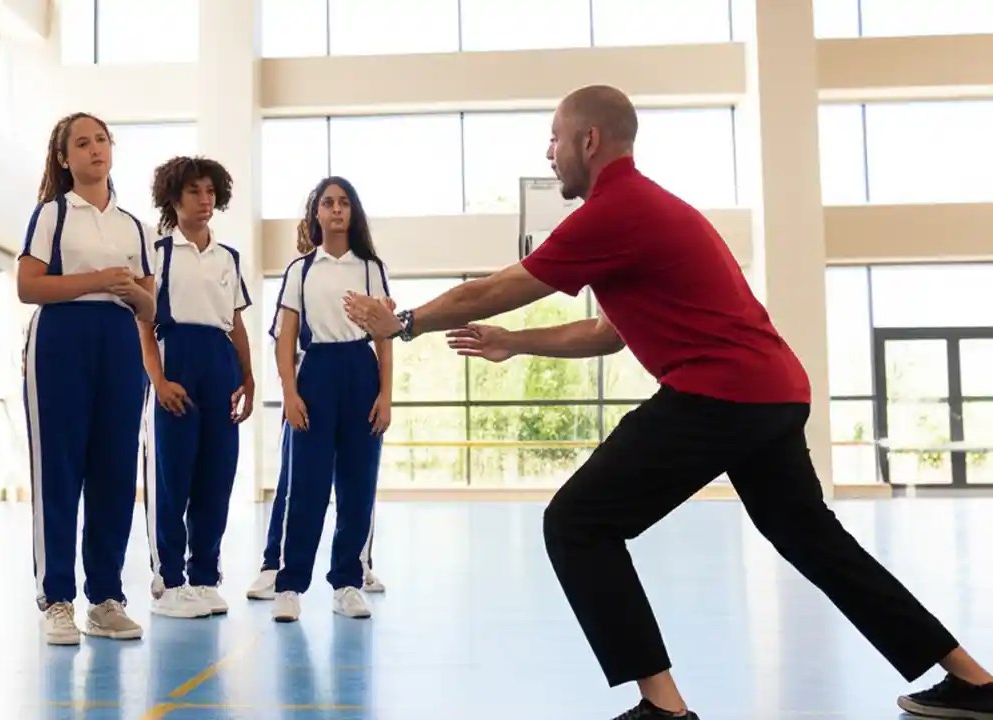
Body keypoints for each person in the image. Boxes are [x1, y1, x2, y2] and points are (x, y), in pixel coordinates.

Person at [343, 84, 993, 720]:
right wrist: (516, 343)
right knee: (814, 540)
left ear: (588, 140)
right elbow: (605, 333)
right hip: (770, 394)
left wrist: (403, 323)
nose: (549, 154)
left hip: (721, 394)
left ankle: (663, 707)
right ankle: (973, 682)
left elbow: (505, 284)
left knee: (577, 523)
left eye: (555, 138)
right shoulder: (650, 210)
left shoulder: (612, 211)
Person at [19, 112, 155, 645]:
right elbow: (29, 287)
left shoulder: (132, 225)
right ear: (64, 157)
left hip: (119, 342)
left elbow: (150, 307)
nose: (95, 149)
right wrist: (98, 279)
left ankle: (105, 597)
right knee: (60, 469)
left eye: (101, 140)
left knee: (116, 471)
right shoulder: (52, 214)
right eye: (83, 142)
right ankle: (56, 598)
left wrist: (131, 292)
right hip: (62, 340)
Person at [245, 179, 390, 620]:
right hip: (317, 373)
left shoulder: (370, 268)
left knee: (357, 483)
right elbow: (285, 338)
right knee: (305, 486)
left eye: (345, 202)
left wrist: (386, 394)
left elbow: (384, 335)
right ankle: (289, 585)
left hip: (360, 370)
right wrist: (289, 392)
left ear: (354, 211)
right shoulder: (300, 270)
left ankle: (347, 581)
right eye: (328, 203)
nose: (337, 209)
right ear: (317, 214)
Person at [139, 155, 254, 619]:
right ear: (174, 197)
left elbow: (237, 324)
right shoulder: (158, 252)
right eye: (194, 192)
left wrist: (247, 377)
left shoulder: (228, 258)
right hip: (177, 358)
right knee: (173, 478)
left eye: (210, 191)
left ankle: (205, 576)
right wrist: (159, 380)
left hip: (219, 364)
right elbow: (144, 326)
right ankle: (168, 580)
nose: (204, 200)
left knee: (217, 475)